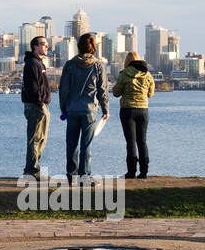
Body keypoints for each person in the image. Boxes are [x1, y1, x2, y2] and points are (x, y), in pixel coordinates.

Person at [59, 33, 109, 179]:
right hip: (89, 110)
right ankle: (85, 176)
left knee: (71, 144)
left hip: (72, 109)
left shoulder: (69, 65)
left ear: (79, 46)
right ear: (94, 47)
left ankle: (71, 175)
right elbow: (102, 90)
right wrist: (105, 110)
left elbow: (64, 89)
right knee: (86, 145)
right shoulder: (98, 65)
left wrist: (64, 108)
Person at [112, 50, 155, 178]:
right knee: (142, 141)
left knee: (131, 142)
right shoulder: (147, 75)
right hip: (143, 110)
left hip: (127, 110)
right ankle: (144, 171)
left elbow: (116, 92)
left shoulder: (124, 74)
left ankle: (131, 172)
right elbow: (151, 93)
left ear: (127, 61)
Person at [20, 36, 51, 176]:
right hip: (36, 106)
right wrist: (40, 103)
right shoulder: (33, 63)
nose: (46, 47)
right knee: (35, 138)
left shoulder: (38, 63)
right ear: (35, 47)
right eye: (43, 44)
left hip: (39, 105)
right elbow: (33, 87)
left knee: (40, 138)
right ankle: (32, 170)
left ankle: (32, 168)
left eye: (47, 45)